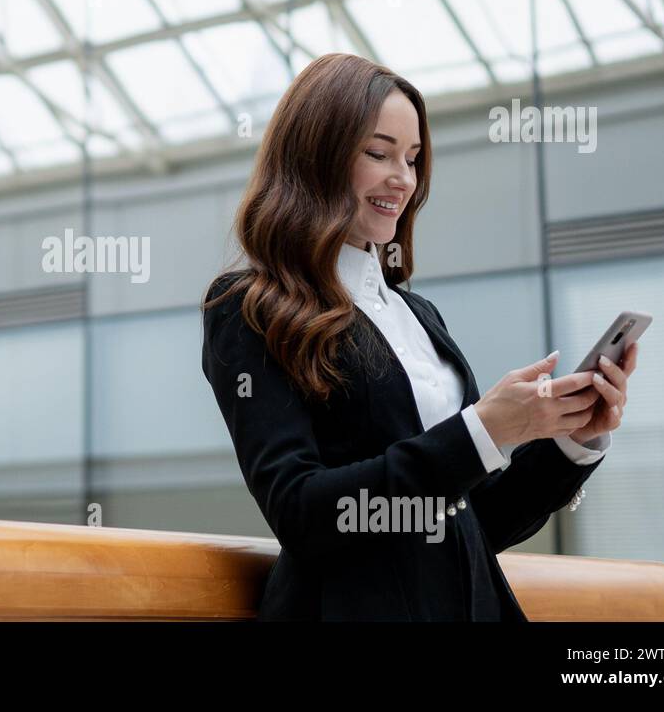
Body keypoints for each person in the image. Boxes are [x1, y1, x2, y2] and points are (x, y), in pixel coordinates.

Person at [200, 53, 638, 621]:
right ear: (317, 155)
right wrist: (483, 429)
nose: (403, 179)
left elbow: (475, 523)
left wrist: (569, 441)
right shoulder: (250, 305)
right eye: (378, 153)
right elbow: (299, 510)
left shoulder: (418, 314)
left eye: (412, 158)